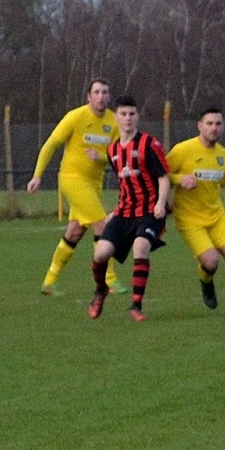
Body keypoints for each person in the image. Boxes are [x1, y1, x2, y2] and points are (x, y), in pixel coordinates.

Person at [166, 107, 225, 318]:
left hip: (216, 215)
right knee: (211, 262)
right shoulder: (182, 150)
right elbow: (161, 173)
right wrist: (180, 179)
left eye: (218, 124)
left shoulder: (223, 155)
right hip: (189, 218)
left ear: (223, 127)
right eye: (209, 123)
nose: (214, 128)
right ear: (200, 126)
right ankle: (206, 279)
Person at [30, 78, 120, 295]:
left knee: (75, 232)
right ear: (89, 96)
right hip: (72, 179)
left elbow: (118, 156)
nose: (100, 96)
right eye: (96, 92)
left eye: (104, 92)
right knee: (102, 226)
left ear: (109, 97)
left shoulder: (114, 122)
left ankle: (49, 281)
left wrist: (100, 157)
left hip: (94, 184)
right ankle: (109, 280)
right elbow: (51, 145)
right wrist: (37, 176)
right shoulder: (76, 117)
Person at [87, 96, 171, 322]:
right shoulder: (113, 150)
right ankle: (100, 290)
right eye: (123, 114)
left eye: (132, 114)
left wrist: (161, 203)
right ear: (116, 118)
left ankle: (136, 305)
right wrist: (116, 210)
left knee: (140, 245)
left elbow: (163, 176)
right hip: (125, 213)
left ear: (137, 117)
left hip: (149, 212)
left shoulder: (149, 144)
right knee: (100, 253)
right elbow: (125, 184)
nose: (128, 118)